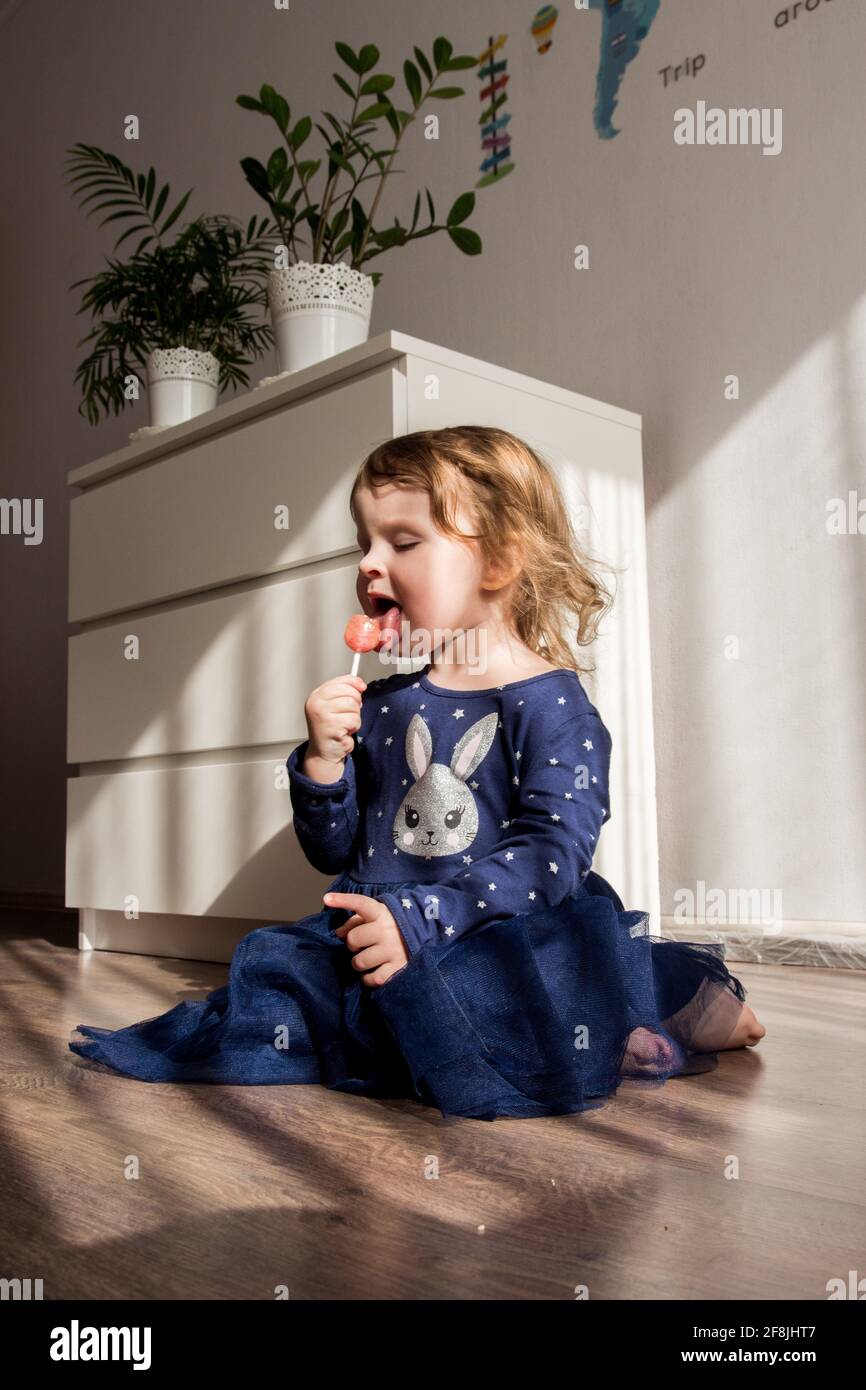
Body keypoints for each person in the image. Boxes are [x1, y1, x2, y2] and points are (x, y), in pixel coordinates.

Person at [69, 425, 765, 1120]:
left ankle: (672, 1007)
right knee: (282, 974)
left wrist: (424, 916)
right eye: (363, 544)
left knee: (518, 993)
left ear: (500, 559)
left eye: (402, 543)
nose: (370, 565)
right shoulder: (382, 704)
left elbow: (555, 852)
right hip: (376, 927)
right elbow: (333, 851)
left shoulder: (550, 703)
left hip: (493, 930)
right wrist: (320, 763)